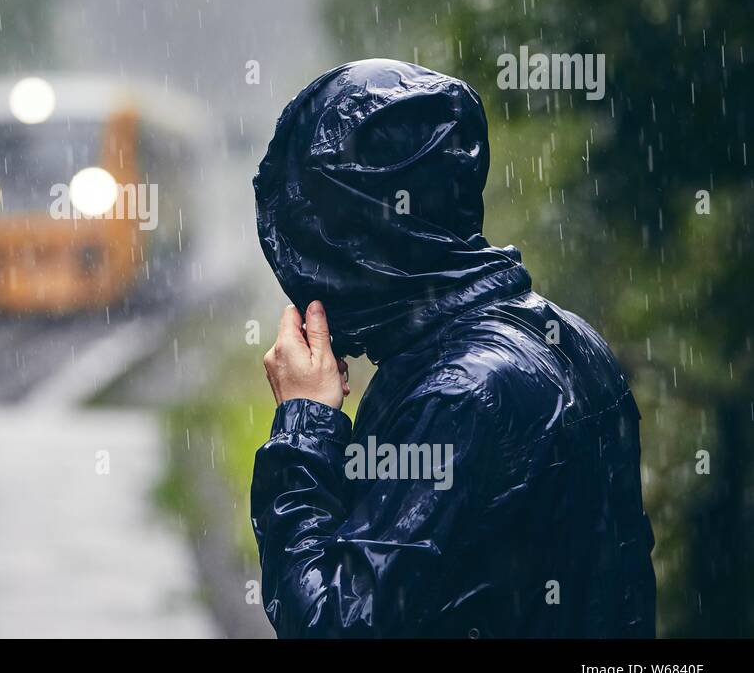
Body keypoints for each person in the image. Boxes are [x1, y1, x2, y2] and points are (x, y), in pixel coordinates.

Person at [251, 59, 656, 638]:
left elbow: (336, 624)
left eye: (320, 229)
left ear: (357, 234)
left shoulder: (457, 394)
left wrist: (303, 427)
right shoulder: (570, 338)